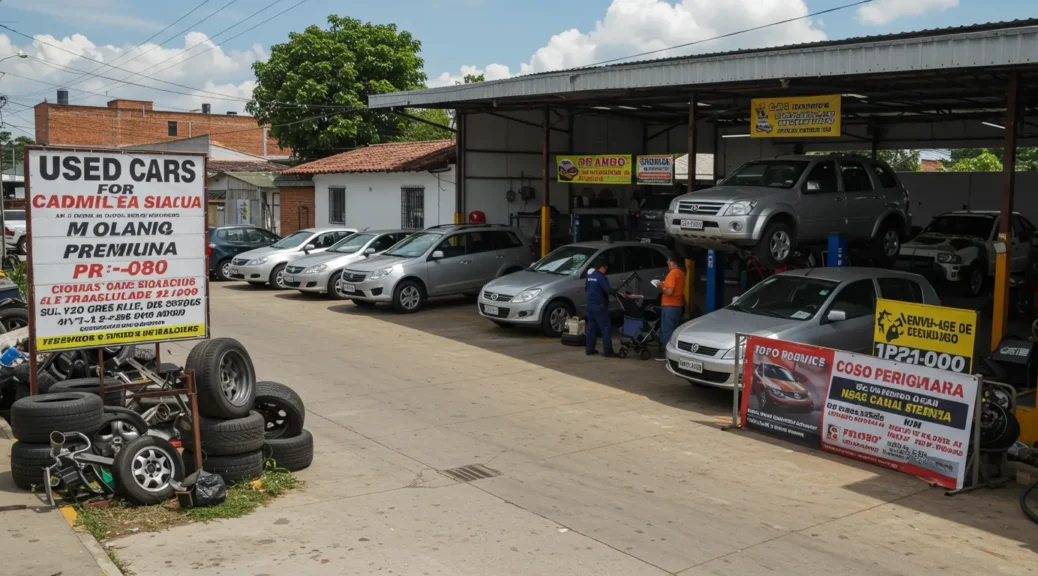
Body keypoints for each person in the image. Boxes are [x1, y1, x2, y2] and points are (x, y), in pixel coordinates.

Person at [655, 254, 686, 360]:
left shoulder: (672, 273)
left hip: (669, 306)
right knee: (674, 330)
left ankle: (667, 356)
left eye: (668, 262)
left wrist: (660, 287)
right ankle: (674, 355)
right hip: (677, 306)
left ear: (673, 262)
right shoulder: (681, 273)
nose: (667, 264)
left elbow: (669, 291)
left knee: (667, 331)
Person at [585, 262, 616, 357]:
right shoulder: (601, 277)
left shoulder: (590, 277)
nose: (605, 271)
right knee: (606, 328)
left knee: (591, 328)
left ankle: (589, 349)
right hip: (599, 306)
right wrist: (614, 291)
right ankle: (608, 351)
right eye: (605, 268)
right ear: (602, 267)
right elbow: (607, 289)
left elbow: (587, 289)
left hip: (590, 306)